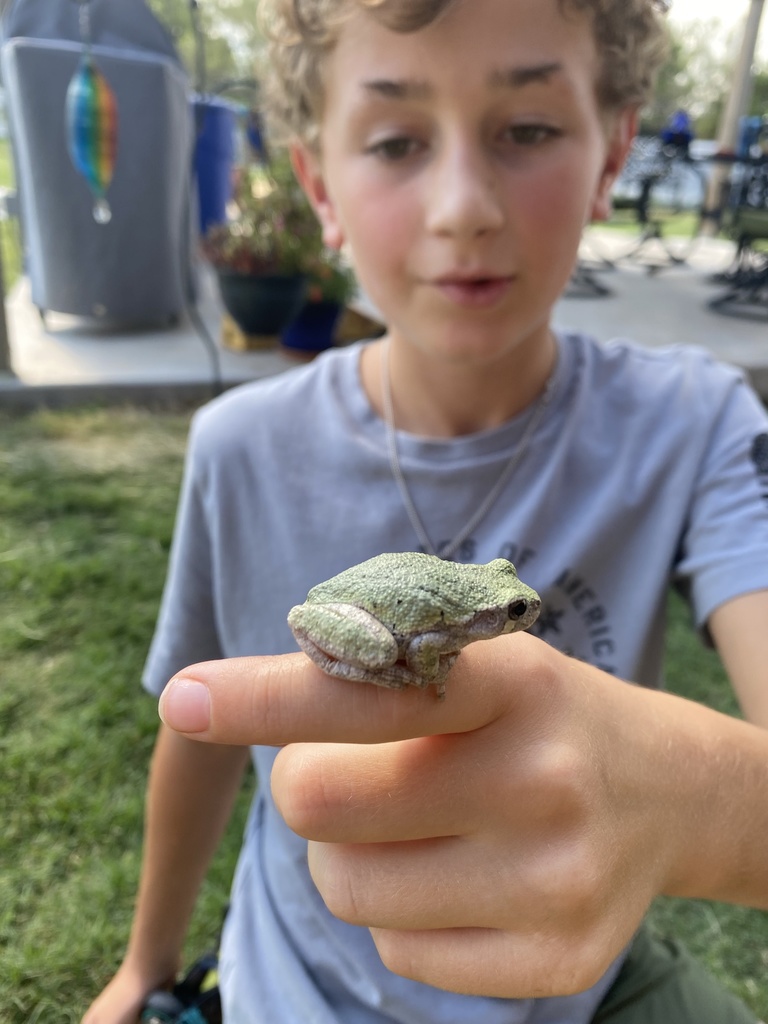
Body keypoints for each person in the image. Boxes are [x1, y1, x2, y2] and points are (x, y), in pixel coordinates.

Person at [83, 0, 768, 1022]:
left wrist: (693, 805)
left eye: (527, 129)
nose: (464, 206)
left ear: (614, 150)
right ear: (319, 183)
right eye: (397, 138)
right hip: (297, 984)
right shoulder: (238, 445)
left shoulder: (698, 419)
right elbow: (201, 729)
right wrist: (146, 967)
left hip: (572, 991)